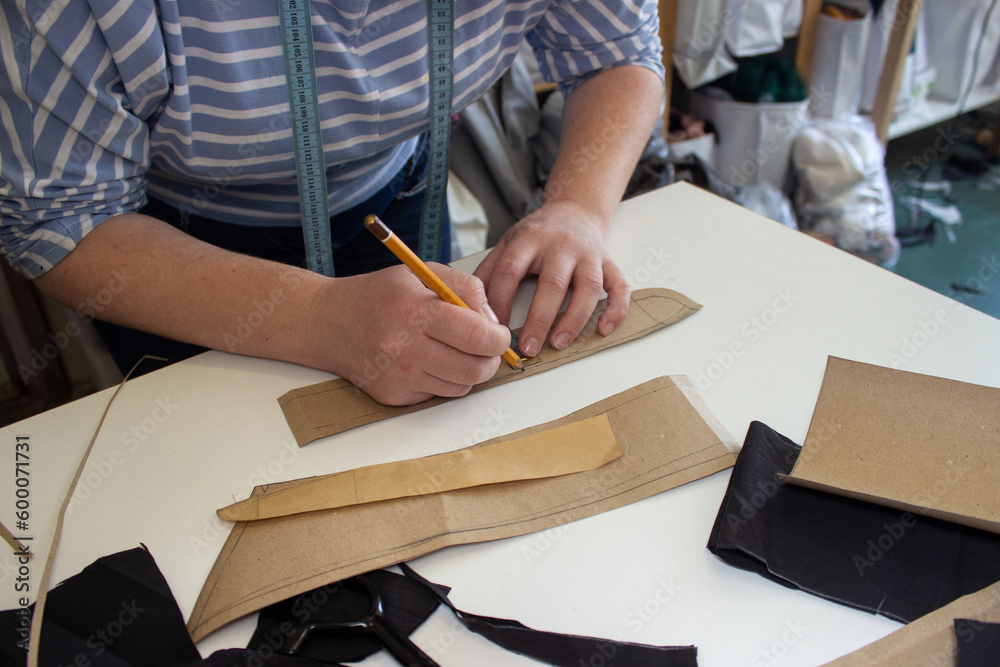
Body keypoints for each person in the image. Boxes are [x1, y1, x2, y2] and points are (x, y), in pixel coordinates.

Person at [0, 1, 664, 406]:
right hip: (176, 249)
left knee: (432, 395)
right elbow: (55, 217)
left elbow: (617, 52)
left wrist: (577, 204)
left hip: (394, 198)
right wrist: (320, 318)